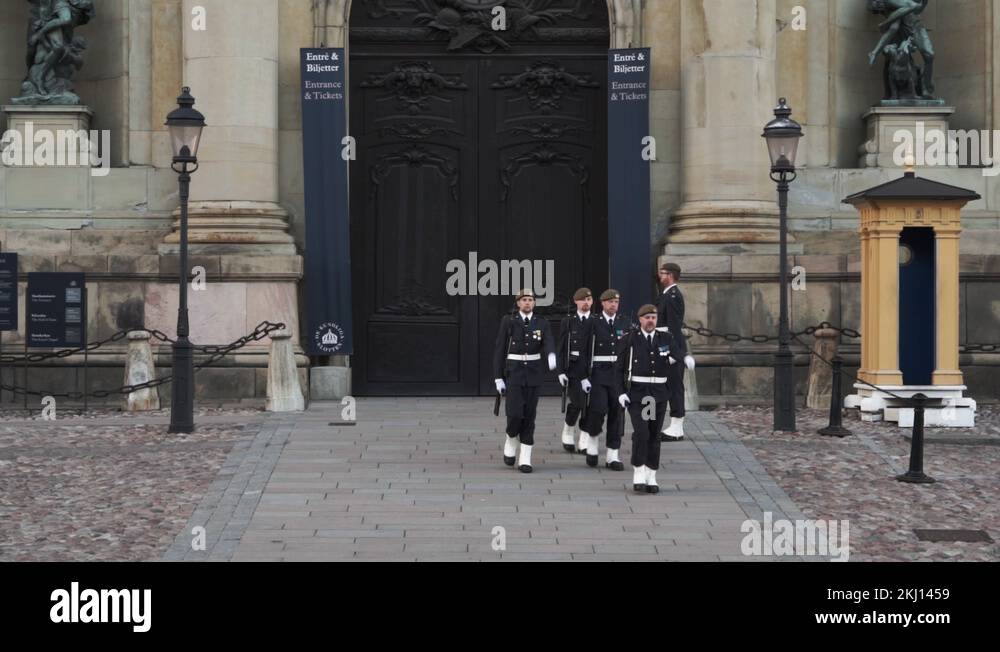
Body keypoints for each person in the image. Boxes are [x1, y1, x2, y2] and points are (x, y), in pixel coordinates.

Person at [616, 304, 680, 494]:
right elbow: (618, 368)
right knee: (642, 432)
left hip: (657, 394)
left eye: (653, 317)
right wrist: (620, 392)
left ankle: (651, 474)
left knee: (654, 434)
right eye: (647, 317)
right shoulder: (630, 339)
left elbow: (676, 352)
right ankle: (638, 470)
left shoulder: (664, 338)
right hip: (639, 394)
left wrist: (685, 358)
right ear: (640, 319)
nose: (650, 320)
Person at [493, 289, 556, 473]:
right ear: (518, 303)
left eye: (530, 300)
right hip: (514, 373)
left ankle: (525, 457)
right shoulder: (509, 321)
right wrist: (498, 377)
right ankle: (511, 438)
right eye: (524, 300)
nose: (528, 303)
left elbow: (548, 341)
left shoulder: (541, 322)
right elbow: (500, 349)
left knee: (529, 415)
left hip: (534, 373)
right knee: (514, 414)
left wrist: (551, 354)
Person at [579, 289, 629, 470]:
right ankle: (592, 442)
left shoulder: (624, 321)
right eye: (610, 302)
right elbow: (584, 351)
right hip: (599, 373)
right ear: (603, 303)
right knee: (598, 410)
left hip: (617, 374)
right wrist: (584, 376)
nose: (613, 305)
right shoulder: (593, 322)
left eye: (616, 302)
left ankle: (612, 455)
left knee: (617, 414)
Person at [656, 263, 695, 441]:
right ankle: (671, 425)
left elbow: (672, 327)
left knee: (674, 387)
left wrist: (673, 353)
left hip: (670, 348)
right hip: (665, 345)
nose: (660, 276)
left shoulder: (672, 296)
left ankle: (677, 427)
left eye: (662, 273)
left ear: (670, 275)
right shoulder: (667, 294)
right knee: (668, 387)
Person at [557, 288, 594, 453]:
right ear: (576, 301)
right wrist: (560, 371)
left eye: (589, 299)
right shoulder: (569, 321)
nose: (586, 302)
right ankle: (569, 428)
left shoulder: (596, 320)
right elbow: (561, 348)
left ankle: (584, 438)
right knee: (578, 403)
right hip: (574, 368)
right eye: (583, 299)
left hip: (593, 368)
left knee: (591, 405)